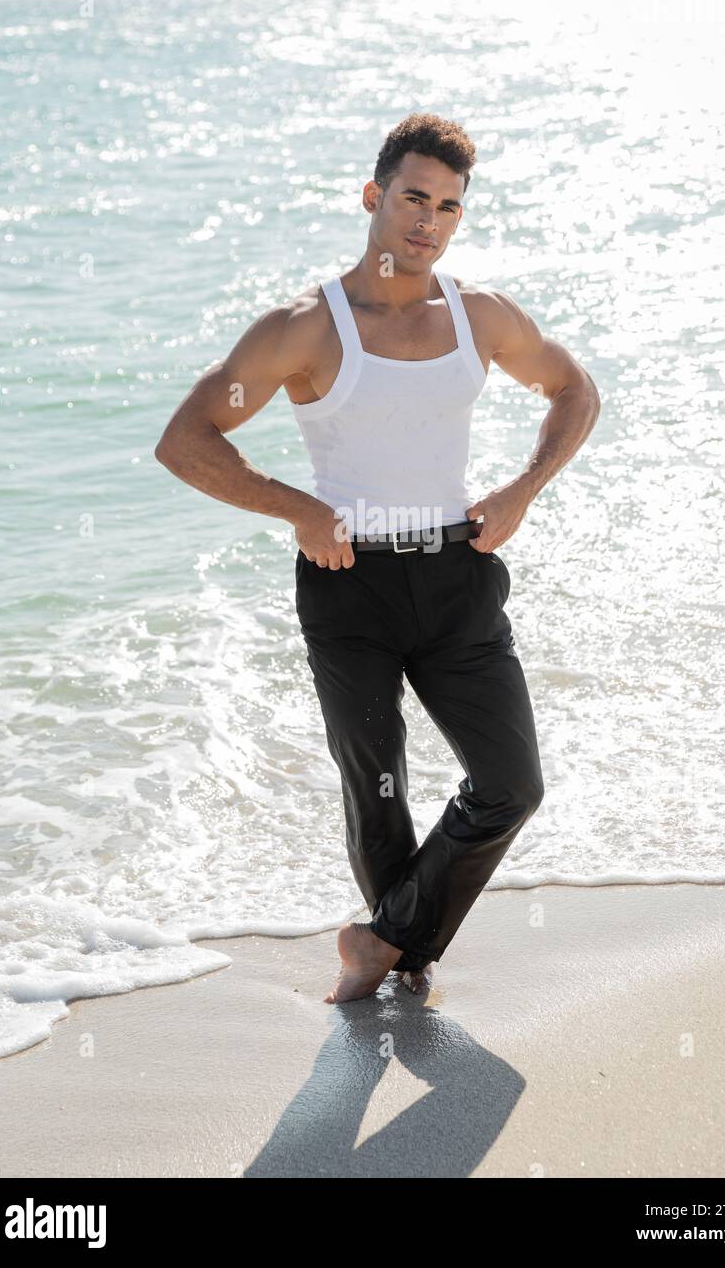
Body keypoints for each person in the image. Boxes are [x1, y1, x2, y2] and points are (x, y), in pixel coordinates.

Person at [155, 112, 600, 1003]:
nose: (428, 221)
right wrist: (299, 509)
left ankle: (382, 940)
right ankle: (405, 961)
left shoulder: (482, 316)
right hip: (346, 581)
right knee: (379, 790)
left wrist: (524, 487)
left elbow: (573, 388)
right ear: (374, 197)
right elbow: (187, 440)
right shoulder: (306, 328)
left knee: (511, 781)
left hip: (458, 574)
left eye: (447, 206)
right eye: (413, 198)